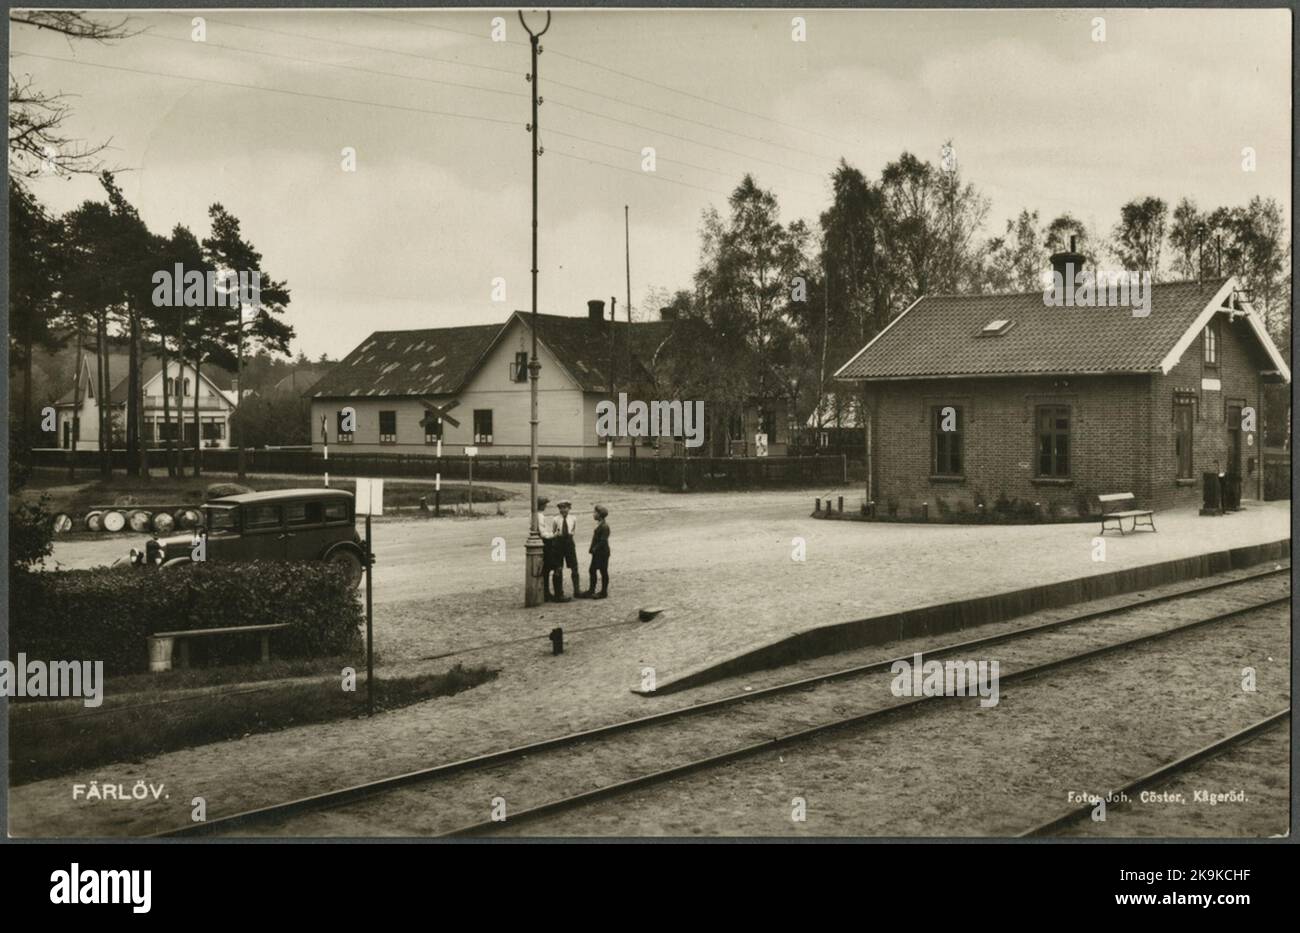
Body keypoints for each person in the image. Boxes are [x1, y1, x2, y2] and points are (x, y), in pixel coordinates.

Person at [550, 498, 580, 602]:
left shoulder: (573, 518)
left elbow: (573, 530)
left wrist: (570, 538)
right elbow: (553, 531)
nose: (563, 510)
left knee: (574, 566)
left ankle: (577, 590)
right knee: (558, 567)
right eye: (561, 508)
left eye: (565, 508)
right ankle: (558, 594)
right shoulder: (555, 519)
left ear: (569, 508)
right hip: (559, 543)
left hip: (569, 543)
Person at [578, 504, 610, 599]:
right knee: (593, 570)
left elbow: (603, 541)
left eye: (595, 512)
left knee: (602, 571)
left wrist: (594, 549)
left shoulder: (604, 526)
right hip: (599, 553)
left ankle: (603, 592)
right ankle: (592, 590)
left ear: (600, 514)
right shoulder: (601, 524)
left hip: (602, 553)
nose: (593, 514)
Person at [535, 496, 556, 602]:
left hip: (540, 541)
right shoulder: (539, 516)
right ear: (541, 505)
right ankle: (546, 593)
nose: (545, 506)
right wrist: (554, 535)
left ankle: (544, 592)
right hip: (544, 543)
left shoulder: (536, 515)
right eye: (544, 505)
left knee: (545, 569)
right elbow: (543, 533)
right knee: (547, 569)